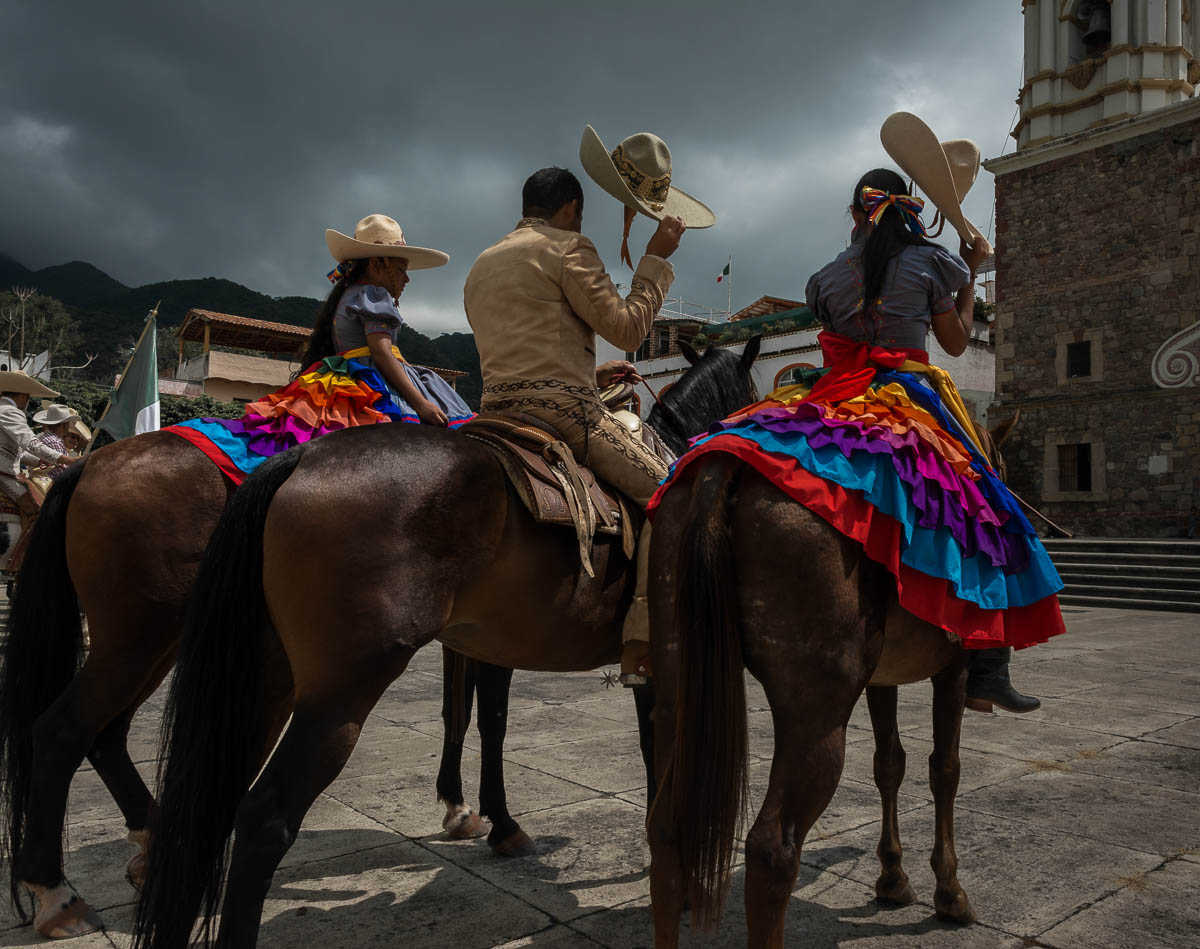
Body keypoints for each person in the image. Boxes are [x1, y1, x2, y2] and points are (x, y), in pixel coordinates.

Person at [648, 115, 1065, 698]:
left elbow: (841, 316)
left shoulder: (825, 277)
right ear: (906, 212)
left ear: (855, 214)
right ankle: (987, 665)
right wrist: (969, 275)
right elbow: (952, 341)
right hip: (904, 388)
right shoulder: (932, 263)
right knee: (982, 493)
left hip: (831, 389)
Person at [464, 127, 714, 686]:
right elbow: (626, 328)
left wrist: (589, 370)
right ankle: (644, 642)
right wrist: (654, 259)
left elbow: (528, 345)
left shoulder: (482, 262)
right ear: (571, 209)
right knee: (675, 492)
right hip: (563, 416)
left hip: (492, 413)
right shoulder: (568, 247)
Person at [167, 215, 472, 484]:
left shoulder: (346, 295)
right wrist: (420, 403)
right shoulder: (374, 294)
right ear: (378, 264)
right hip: (372, 378)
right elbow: (381, 353)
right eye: (401, 268)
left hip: (341, 375)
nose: (406, 278)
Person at [0, 372, 75, 573]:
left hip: (7, 471)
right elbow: (29, 442)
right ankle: (20, 563)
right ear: (23, 396)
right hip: (3, 475)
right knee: (37, 510)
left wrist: (37, 460)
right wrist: (65, 459)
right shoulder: (10, 411)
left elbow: (15, 450)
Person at [31, 403, 77, 479]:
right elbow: (61, 472)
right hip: (48, 481)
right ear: (65, 425)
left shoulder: (44, 436)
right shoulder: (54, 441)